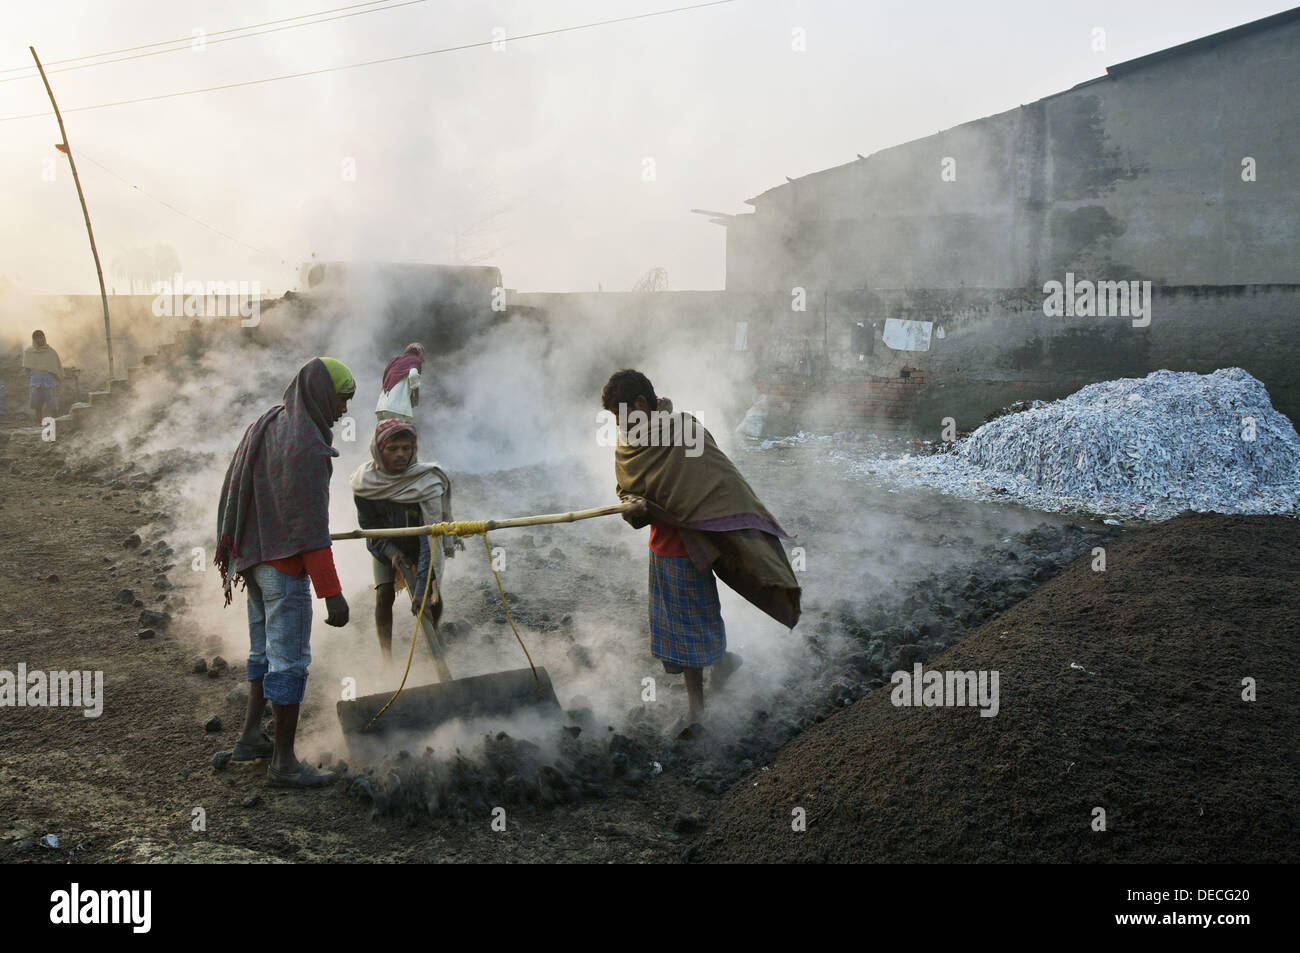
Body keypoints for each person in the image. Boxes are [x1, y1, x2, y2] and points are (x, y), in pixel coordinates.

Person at [602, 368, 801, 735]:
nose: (618, 423)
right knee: (684, 625)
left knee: (687, 627)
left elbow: (718, 486)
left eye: (620, 414)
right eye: (613, 417)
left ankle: (697, 712)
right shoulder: (630, 442)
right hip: (660, 547)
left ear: (642, 404)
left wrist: (656, 509)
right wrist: (632, 505)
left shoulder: (684, 431)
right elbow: (628, 490)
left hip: (688, 547)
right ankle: (724, 663)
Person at [215, 356, 356, 788]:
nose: (345, 410)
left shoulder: (269, 422)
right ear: (320, 393)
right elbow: (310, 527)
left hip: (253, 559)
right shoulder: (307, 446)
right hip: (283, 567)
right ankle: (284, 763)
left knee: (262, 652)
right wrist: (331, 591)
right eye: (341, 399)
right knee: (290, 661)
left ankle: (249, 737)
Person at [349, 418, 461, 664]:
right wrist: (391, 553)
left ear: (414, 449)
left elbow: (429, 538)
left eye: (406, 448)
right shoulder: (364, 484)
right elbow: (370, 527)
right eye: (392, 449)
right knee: (384, 595)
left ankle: (435, 642)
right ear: (379, 451)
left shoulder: (426, 482)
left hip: (420, 544)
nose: (401, 454)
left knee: (432, 595)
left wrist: (420, 591)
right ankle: (386, 657)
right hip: (383, 544)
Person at [375, 342, 424, 421]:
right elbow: (413, 374)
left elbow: (384, 378)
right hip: (396, 408)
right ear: (419, 353)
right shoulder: (414, 360)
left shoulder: (395, 361)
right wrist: (416, 396)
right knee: (401, 431)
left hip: (381, 407)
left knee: (382, 431)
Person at [22, 330, 63, 423]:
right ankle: (39, 426)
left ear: (44, 338)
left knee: (53, 406)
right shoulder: (28, 352)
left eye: (42, 337)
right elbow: (26, 369)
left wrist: (57, 378)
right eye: (38, 338)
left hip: (49, 383)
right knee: (37, 407)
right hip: (36, 383)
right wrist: (33, 377)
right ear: (34, 340)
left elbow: (57, 366)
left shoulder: (51, 352)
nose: (40, 340)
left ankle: (55, 425)